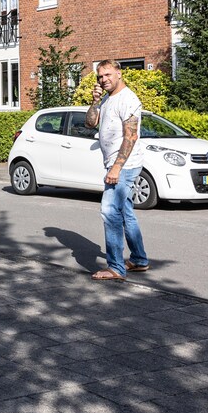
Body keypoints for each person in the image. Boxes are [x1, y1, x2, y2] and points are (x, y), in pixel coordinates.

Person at [84, 60, 149, 280]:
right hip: (118, 165)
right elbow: (90, 124)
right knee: (125, 212)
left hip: (124, 166)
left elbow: (131, 136)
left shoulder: (128, 99)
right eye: (100, 76)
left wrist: (116, 168)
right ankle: (139, 260)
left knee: (110, 212)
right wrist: (94, 103)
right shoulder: (105, 98)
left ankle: (116, 268)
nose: (104, 80)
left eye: (108, 75)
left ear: (119, 74)